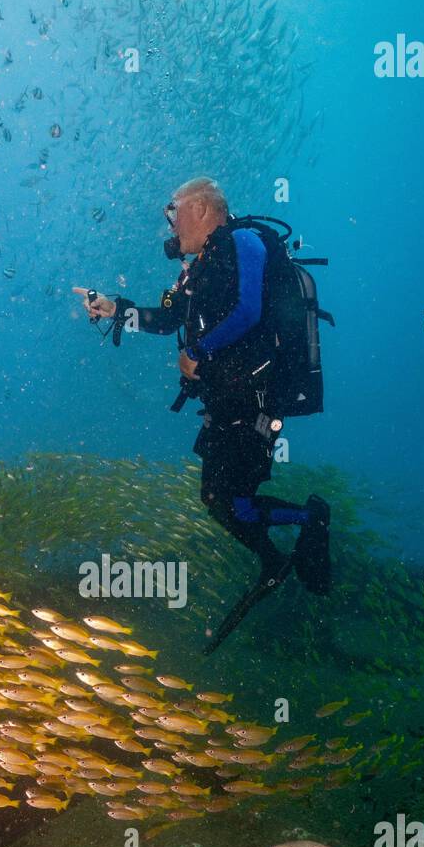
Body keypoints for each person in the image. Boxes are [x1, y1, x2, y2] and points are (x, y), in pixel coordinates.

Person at [74, 176, 330, 611]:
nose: (170, 226)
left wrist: (198, 350)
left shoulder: (245, 241)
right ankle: (273, 558)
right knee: (221, 498)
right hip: (225, 400)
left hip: (257, 399)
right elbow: (166, 320)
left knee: (227, 498)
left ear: (202, 210)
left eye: (174, 214)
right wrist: (116, 309)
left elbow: (249, 310)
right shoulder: (196, 269)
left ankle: (310, 521)